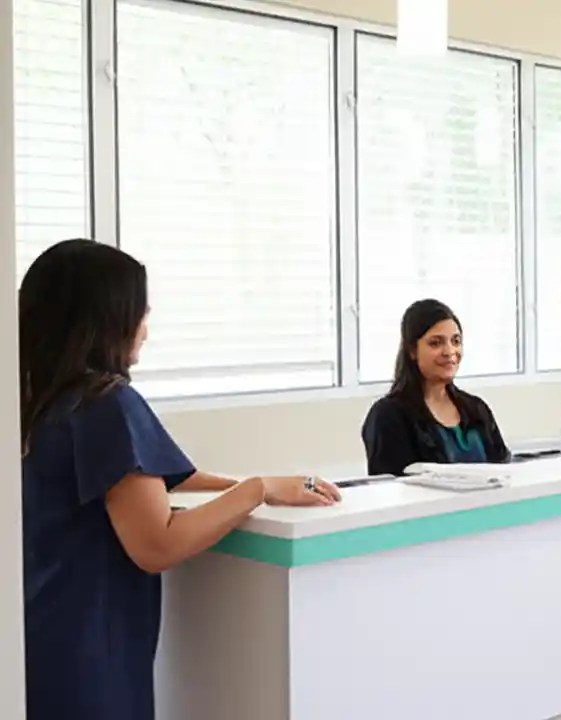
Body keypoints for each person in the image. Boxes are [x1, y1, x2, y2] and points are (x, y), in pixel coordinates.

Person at [20, 239, 342, 720]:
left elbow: (145, 475)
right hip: (90, 660)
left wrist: (242, 484)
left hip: (40, 640)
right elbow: (157, 544)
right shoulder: (107, 403)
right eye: (141, 313)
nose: (146, 329)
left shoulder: (39, 403)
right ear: (107, 318)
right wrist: (257, 489)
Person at [362, 299, 510, 474]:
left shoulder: (476, 409)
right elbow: (390, 484)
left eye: (456, 341)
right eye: (436, 343)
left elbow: (504, 471)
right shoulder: (389, 415)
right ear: (412, 351)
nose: (449, 352)